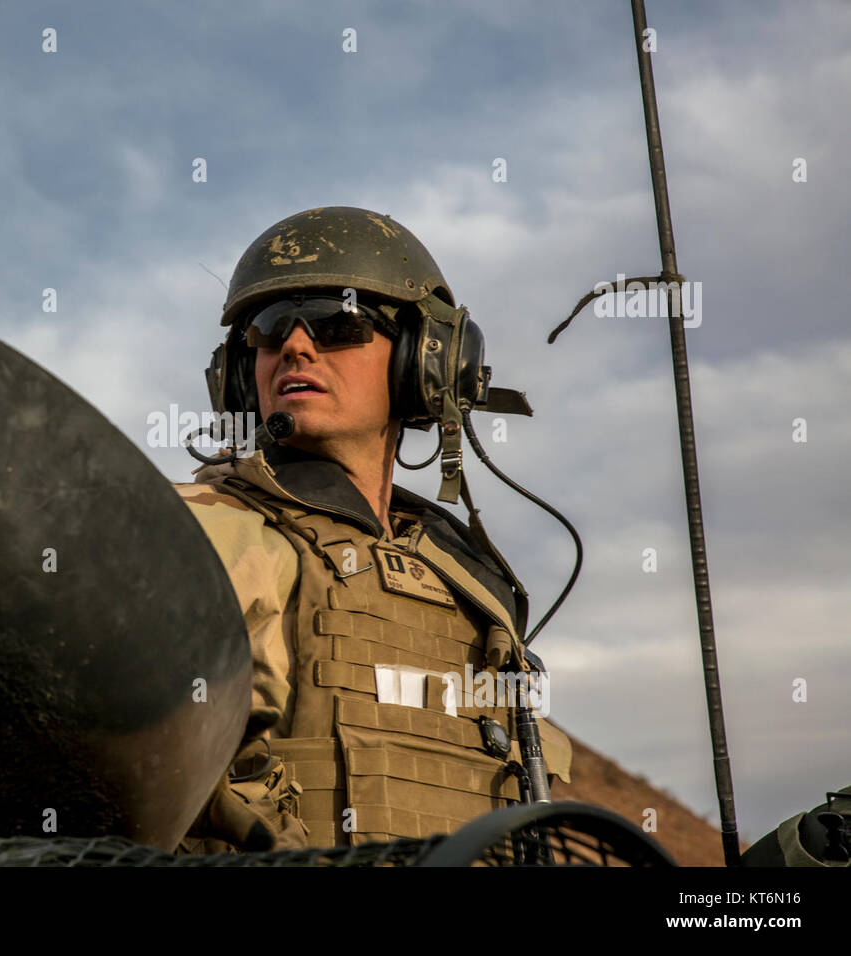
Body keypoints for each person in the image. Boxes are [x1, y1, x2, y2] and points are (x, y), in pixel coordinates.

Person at [174, 206, 572, 854]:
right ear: (241, 373)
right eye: (270, 331)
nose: (295, 348)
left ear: (428, 360)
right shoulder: (210, 531)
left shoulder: (476, 586)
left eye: (337, 323)